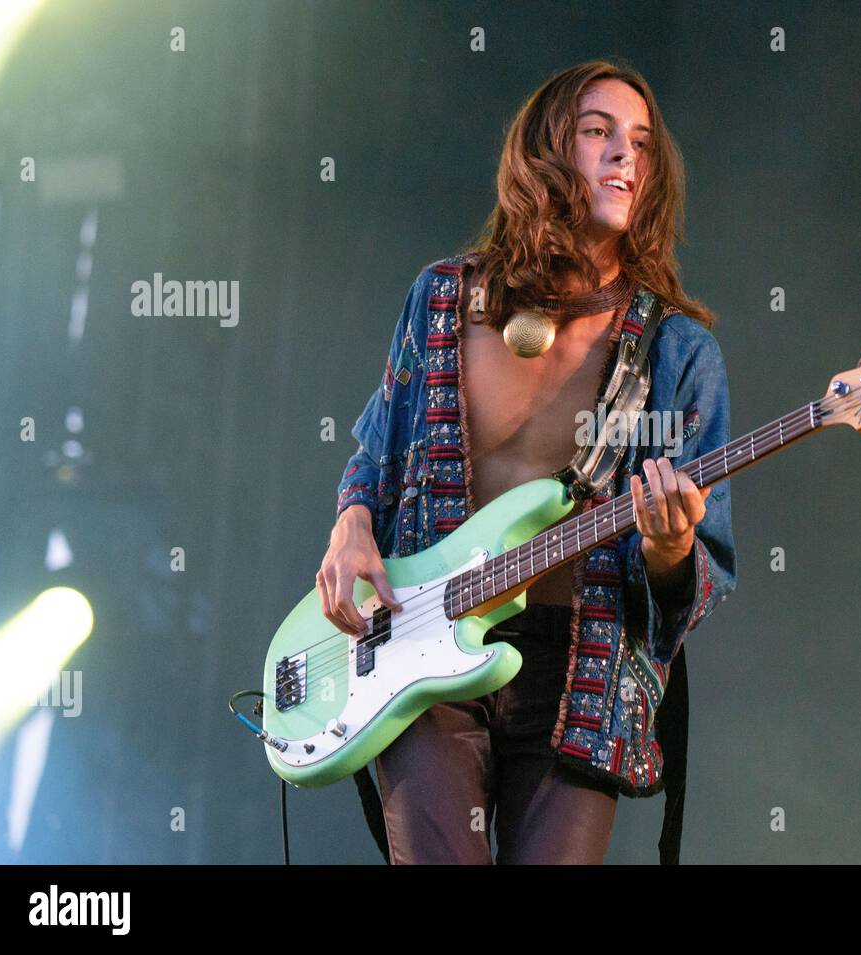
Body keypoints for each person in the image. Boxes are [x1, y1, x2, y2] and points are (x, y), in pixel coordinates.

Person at [318, 60, 737, 864]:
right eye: (599, 133)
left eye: (642, 143)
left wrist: (669, 545)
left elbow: (698, 572)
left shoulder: (678, 352)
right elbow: (376, 447)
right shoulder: (441, 300)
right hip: (422, 648)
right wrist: (351, 524)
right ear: (545, 151)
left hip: (580, 676)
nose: (627, 157)